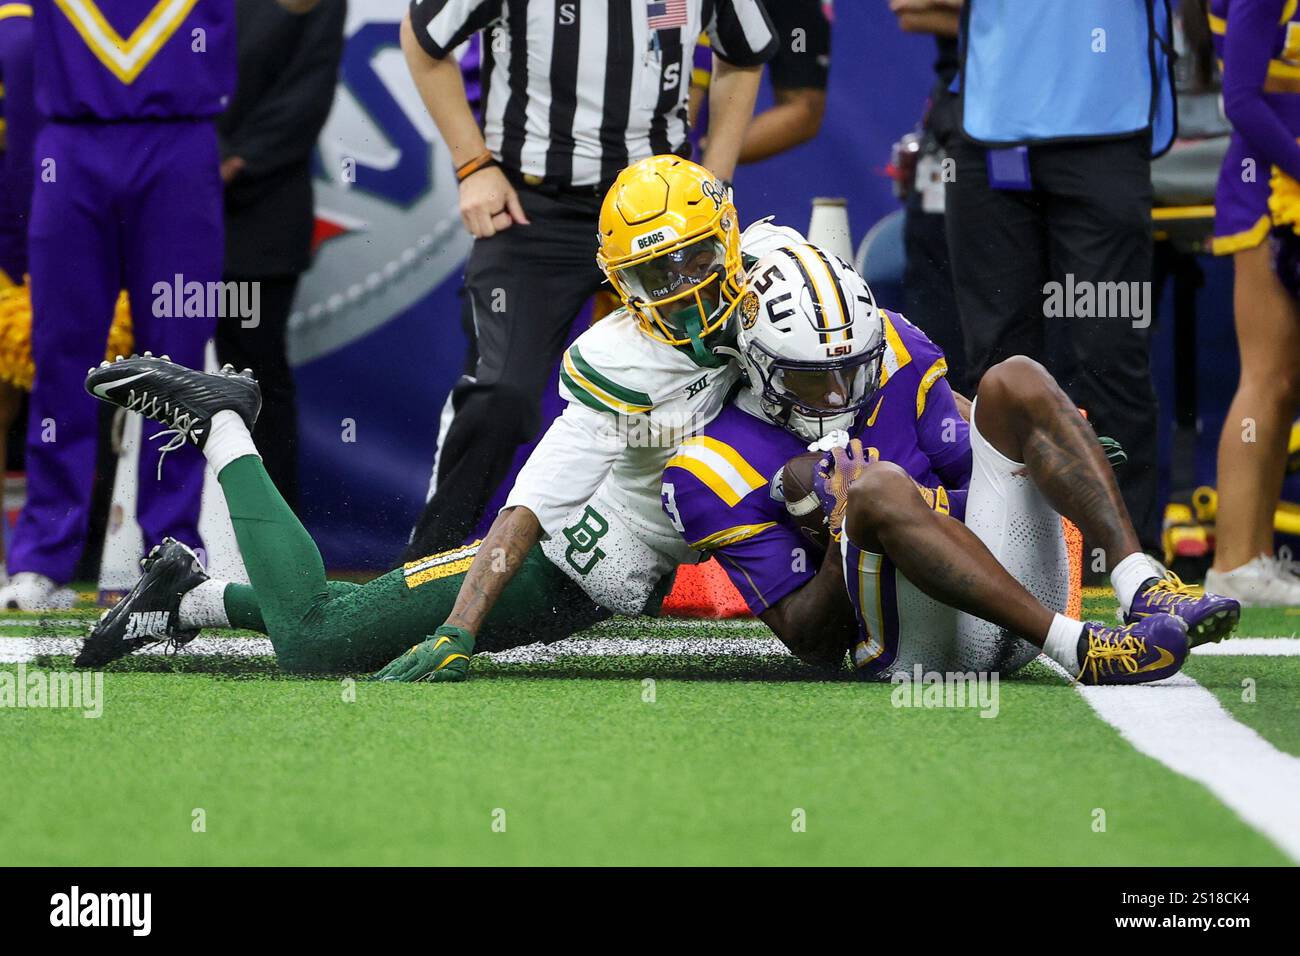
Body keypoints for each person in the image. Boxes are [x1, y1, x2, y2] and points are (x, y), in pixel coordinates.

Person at [74, 157, 805, 676]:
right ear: (620, 287)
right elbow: (531, 506)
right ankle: (223, 424)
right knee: (316, 641)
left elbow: (864, 353)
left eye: (694, 261)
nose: (682, 292)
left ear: (732, 237)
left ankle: (183, 598)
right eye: (656, 277)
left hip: (599, 579)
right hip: (562, 562)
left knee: (346, 622)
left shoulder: (783, 277)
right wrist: (461, 625)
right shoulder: (622, 357)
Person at [662, 245, 1240, 684]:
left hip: (1014, 591)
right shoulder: (710, 466)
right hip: (914, 649)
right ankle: (1083, 650)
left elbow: (975, 486)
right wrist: (846, 532)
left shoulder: (895, 348)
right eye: (812, 379)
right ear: (756, 365)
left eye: (853, 371)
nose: (839, 395)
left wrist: (1034, 464)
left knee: (1013, 378)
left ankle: (1141, 581)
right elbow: (813, 641)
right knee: (878, 489)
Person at [398, 0, 777, 563]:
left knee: (728, 369)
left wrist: (715, 180)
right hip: (536, 208)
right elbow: (424, 39)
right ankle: (425, 565)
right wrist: (473, 164)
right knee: (499, 393)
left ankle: (748, 558)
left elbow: (743, 53)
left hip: (664, 222)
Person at [0, 0, 321, 611]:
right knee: (62, 354)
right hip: (69, 141)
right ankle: (42, 555)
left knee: (177, 358)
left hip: (179, 141)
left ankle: (174, 548)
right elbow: (15, 43)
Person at [942, 0, 1176, 556]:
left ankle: (1125, 566)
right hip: (990, 133)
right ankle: (1000, 559)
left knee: (1110, 354)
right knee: (996, 368)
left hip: (1107, 132)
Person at [215, 0, 347, 511]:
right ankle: (115, 529)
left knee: (252, 370)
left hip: (258, 216)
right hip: (163, 201)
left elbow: (306, 94)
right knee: (152, 363)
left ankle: (271, 531)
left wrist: (230, 159)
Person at [1203, 0, 1300, 604]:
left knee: (1287, 382)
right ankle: (1233, 560)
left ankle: (1256, 556)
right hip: (1265, 191)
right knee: (1265, 377)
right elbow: (1240, 98)